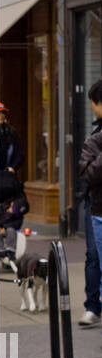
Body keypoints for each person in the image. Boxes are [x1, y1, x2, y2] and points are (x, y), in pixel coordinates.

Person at [79, 81, 102, 330]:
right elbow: (87, 173)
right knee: (93, 256)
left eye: (93, 103)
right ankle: (93, 306)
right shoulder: (95, 138)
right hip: (96, 206)